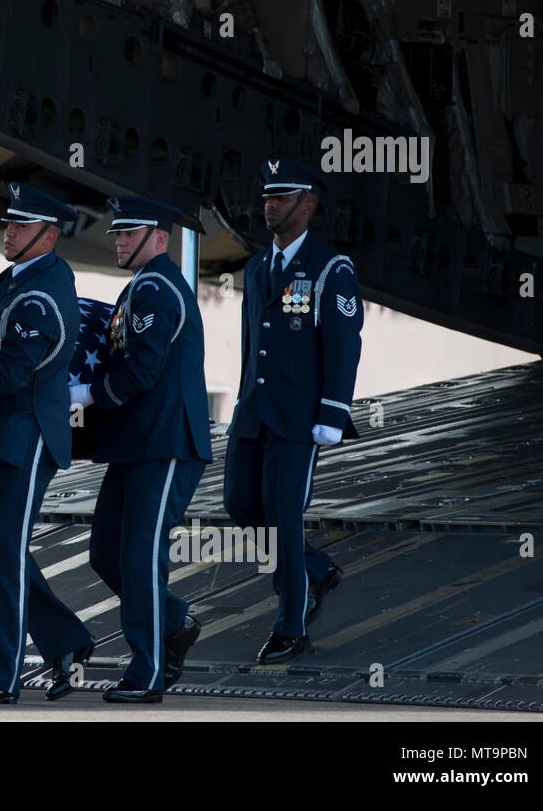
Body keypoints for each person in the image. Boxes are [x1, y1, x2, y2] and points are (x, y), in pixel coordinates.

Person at [0, 183, 95, 704]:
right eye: (8, 223)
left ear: (49, 235)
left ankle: (5, 671)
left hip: (25, 434)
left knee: (5, 550)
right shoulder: (14, 279)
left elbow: (13, 368)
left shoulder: (45, 291)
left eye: (20, 225)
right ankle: (66, 640)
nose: (7, 231)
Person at [71, 196, 213, 703]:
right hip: (135, 444)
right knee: (107, 554)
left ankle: (148, 672)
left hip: (164, 442)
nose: (121, 240)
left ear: (161, 237)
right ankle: (175, 624)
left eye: (131, 233)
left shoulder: (156, 288)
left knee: (139, 557)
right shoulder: (140, 288)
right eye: (118, 233)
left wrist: (88, 394)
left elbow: (143, 370)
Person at [223, 159, 361, 664]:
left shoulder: (330, 269)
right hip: (255, 411)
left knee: (284, 515)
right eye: (267, 197)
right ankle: (314, 568)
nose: (270, 205)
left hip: (301, 416)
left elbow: (343, 345)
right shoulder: (257, 267)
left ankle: (291, 626)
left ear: (308, 204)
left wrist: (333, 410)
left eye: (281, 198)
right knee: (241, 504)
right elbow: (250, 344)